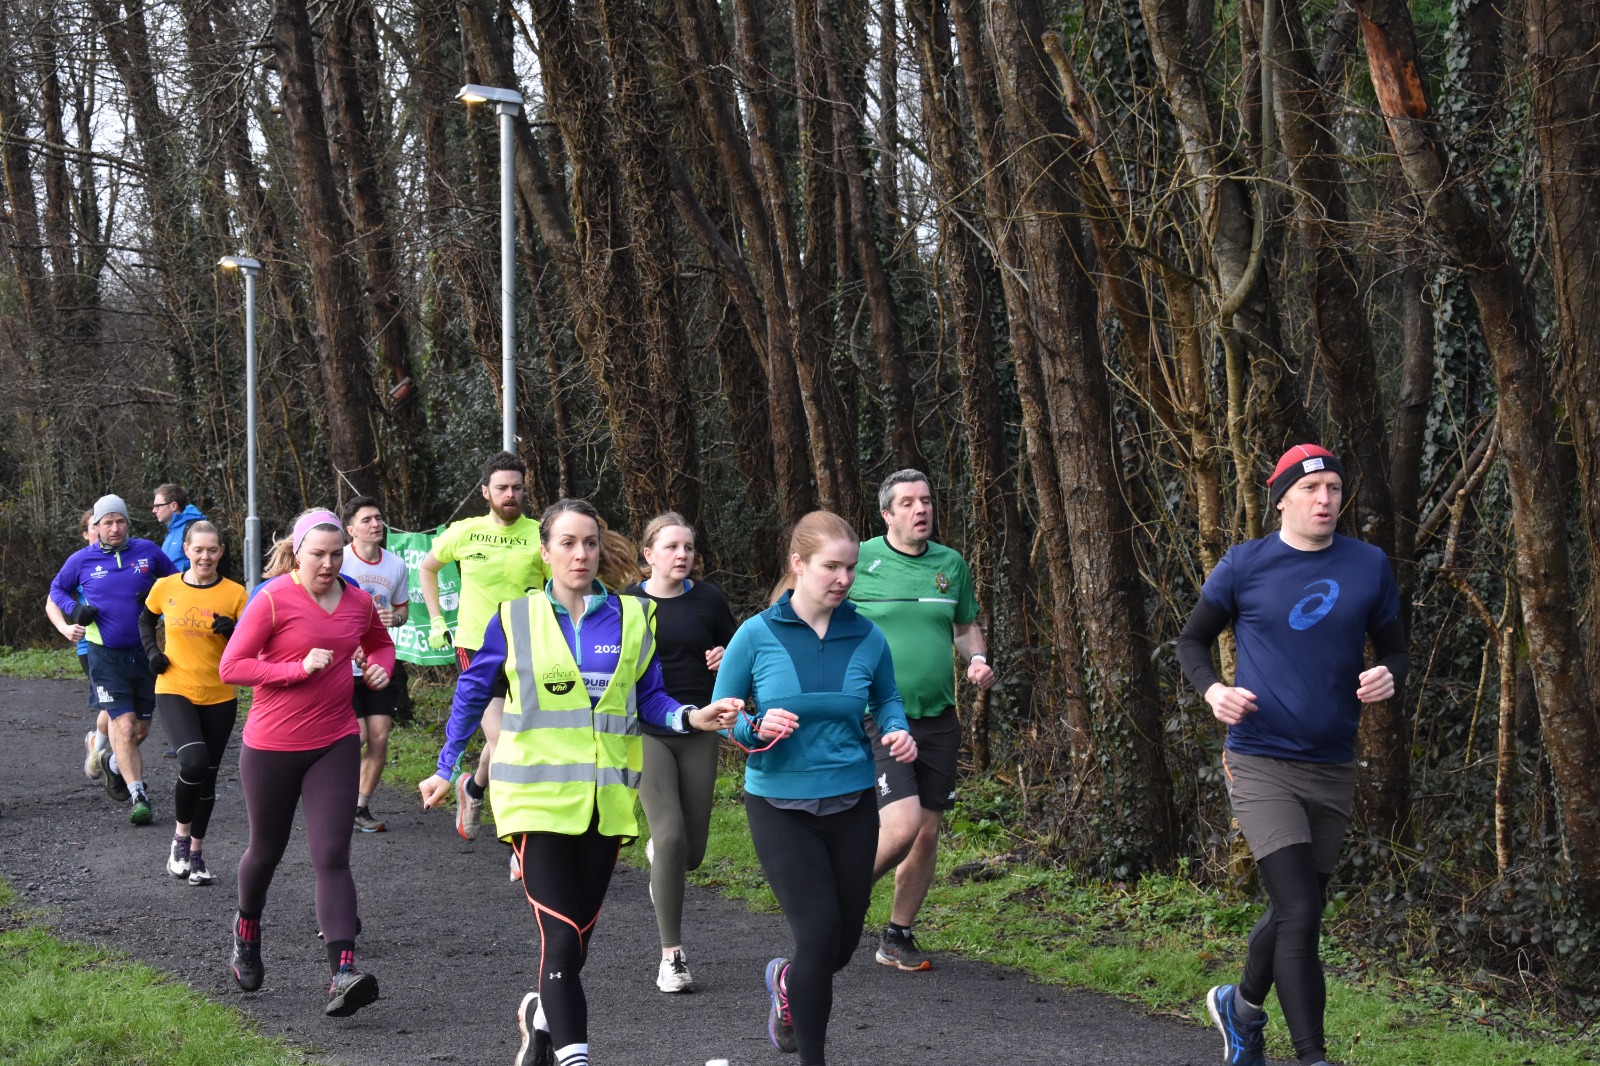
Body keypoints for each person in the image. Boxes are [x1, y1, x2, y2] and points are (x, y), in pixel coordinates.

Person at [419, 498, 742, 1066]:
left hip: (604, 806)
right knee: (562, 937)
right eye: (567, 543)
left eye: (590, 542)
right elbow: (473, 691)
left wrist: (692, 717)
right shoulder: (514, 618)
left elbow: (651, 701)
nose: (580, 554)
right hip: (533, 803)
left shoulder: (634, 618)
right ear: (545, 553)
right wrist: (446, 767)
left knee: (575, 942)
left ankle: (540, 1019)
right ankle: (575, 1058)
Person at [1175, 445, 1408, 1066]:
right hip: (1259, 758)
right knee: (1301, 909)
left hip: (1333, 762)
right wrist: (1214, 690)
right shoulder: (1245, 565)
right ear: (1281, 498)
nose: (1325, 499)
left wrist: (1389, 674)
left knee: (1296, 908)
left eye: (1334, 488)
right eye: (1311, 490)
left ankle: (1241, 1009)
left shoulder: (1369, 565)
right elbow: (1192, 640)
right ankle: (1313, 1057)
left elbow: (1397, 650)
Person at [713, 510, 918, 1065]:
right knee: (819, 930)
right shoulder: (754, 635)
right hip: (780, 803)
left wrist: (897, 730)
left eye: (851, 568)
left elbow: (888, 698)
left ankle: (787, 984)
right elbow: (725, 714)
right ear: (798, 565)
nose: (843, 578)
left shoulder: (866, 635)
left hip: (852, 801)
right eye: (831, 566)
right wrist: (755, 726)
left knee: (843, 943)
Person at [218, 509, 395, 1017]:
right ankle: (247, 927)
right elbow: (232, 666)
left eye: (336, 554)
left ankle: (342, 972)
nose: (328, 563)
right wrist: (297, 668)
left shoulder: (357, 600)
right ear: (297, 552)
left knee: (332, 854)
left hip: (334, 740)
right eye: (318, 553)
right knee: (266, 851)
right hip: (271, 746)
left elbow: (380, 645)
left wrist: (379, 670)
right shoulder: (272, 599)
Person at [849, 469, 996, 973]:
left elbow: (964, 627)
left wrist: (975, 658)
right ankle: (837, 902)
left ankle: (897, 934)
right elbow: (813, 611)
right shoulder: (861, 559)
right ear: (887, 514)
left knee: (927, 831)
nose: (921, 510)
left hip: (939, 715)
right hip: (878, 715)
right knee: (901, 826)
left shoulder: (950, 565)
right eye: (908, 503)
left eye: (927, 501)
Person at [622, 512, 738, 993]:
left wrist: (724, 654)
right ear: (648, 554)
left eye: (688, 547)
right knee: (669, 837)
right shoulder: (625, 604)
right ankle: (672, 956)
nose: (682, 556)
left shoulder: (708, 599)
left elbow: (738, 653)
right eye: (671, 547)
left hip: (699, 727)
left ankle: (665, 862)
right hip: (646, 729)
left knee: (690, 853)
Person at [418, 451, 547, 843]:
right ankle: (521, 841)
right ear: (485, 491)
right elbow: (427, 567)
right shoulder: (464, 532)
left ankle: (472, 788)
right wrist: (438, 619)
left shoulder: (540, 533)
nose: (511, 494)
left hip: (530, 645)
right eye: (502, 488)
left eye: (517, 488)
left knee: (518, 734)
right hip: (476, 647)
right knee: (506, 742)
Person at [47, 495, 178, 824]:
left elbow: (176, 580)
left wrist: (155, 595)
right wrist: (75, 611)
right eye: (108, 523)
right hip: (104, 655)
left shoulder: (147, 551)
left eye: (120, 521)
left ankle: (115, 763)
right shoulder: (82, 560)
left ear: (127, 523)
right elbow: (57, 590)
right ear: (98, 526)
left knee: (141, 730)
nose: (115, 528)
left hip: (144, 652)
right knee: (124, 723)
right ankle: (139, 796)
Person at [140, 521, 247, 885]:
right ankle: (180, 840)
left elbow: (251, 647)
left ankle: (197, 855)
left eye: (212, 550)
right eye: (198, 549)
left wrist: (232, 630)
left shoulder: (235, 594)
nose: (205, 556)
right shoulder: (165, 587)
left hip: (220, 694)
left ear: (221, 551)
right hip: (174, 687)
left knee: (209, 780)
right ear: (186, 549)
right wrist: (153, 652)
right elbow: (145, 618)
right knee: (194, 761)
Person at [340, 495, 410, 833]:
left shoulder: (395, 565)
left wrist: (393, 620)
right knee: (358, 735)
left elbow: (403, 611)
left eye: (379, 517)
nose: (376, 524)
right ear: (350, 529)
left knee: (380, 737)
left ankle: (359, 807)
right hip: (343, 665)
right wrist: (349, 643)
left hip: (379, 664)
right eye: (367, 519)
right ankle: (332, 797)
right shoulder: (339, 563)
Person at [48, 509, 114, 783]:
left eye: (107, 525)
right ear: (86, 534)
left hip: (126, 646)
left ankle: (96, 745)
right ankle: (120, 770)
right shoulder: (78, 563)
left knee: (117, 707)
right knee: (115, 706)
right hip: (91, 647)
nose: (103, 531)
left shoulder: (123, 559)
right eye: (95, 527)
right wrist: (65, 627)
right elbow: (52, 600)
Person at [152, 484, 207, 573]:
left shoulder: (194, 529)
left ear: (173, 506)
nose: (154, 510)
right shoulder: (171, 531)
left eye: (158, 506)